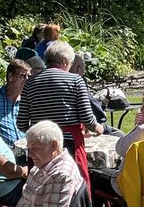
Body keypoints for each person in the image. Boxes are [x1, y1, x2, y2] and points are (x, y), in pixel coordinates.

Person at [17, 41, 102, 192]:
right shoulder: (75, 80)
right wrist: (97, 127)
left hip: (40, 143)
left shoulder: (30, 84)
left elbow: (22, 123)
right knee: (75, 185)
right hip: (70, 143)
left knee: (40, 187)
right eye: (69, 63)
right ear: (64, 62)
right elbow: (87, 117)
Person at [0, 59, 31, 148]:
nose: (27, 80)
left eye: (29, 77)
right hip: (0, 153)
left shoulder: (27, 100)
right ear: (10, 76)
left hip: (25, 153)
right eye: (23, 76)